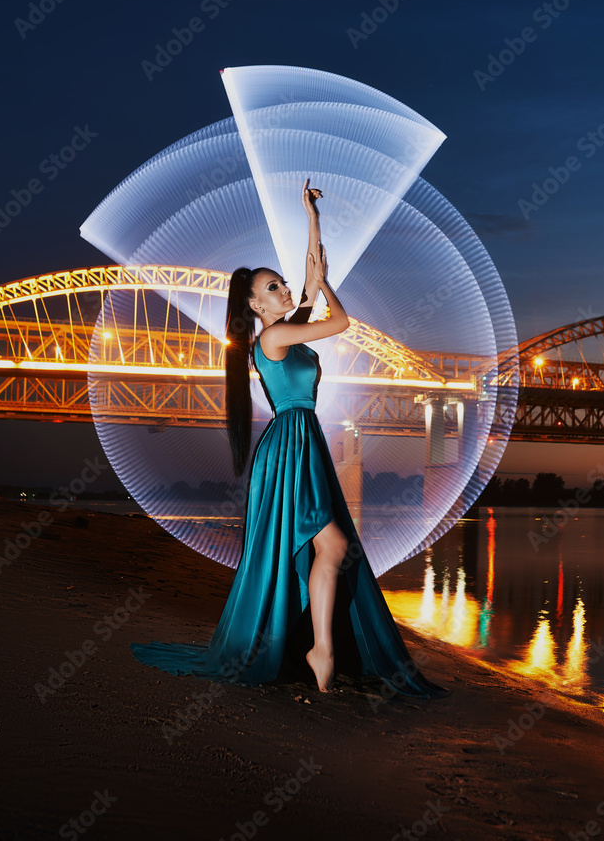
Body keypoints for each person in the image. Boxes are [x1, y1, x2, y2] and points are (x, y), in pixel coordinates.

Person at [130, 180, 449, 700]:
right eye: (272, 289)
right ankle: (319, 648)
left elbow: (312, 271)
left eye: (280, 284)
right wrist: (319, 293)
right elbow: (339, 320)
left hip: (305, 441)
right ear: (256, 307)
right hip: (291, 446)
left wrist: (311, 218)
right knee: (334, 544)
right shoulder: (274, 337)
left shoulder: (287, 327)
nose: (283, 290)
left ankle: (320, 647)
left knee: (333, 547)